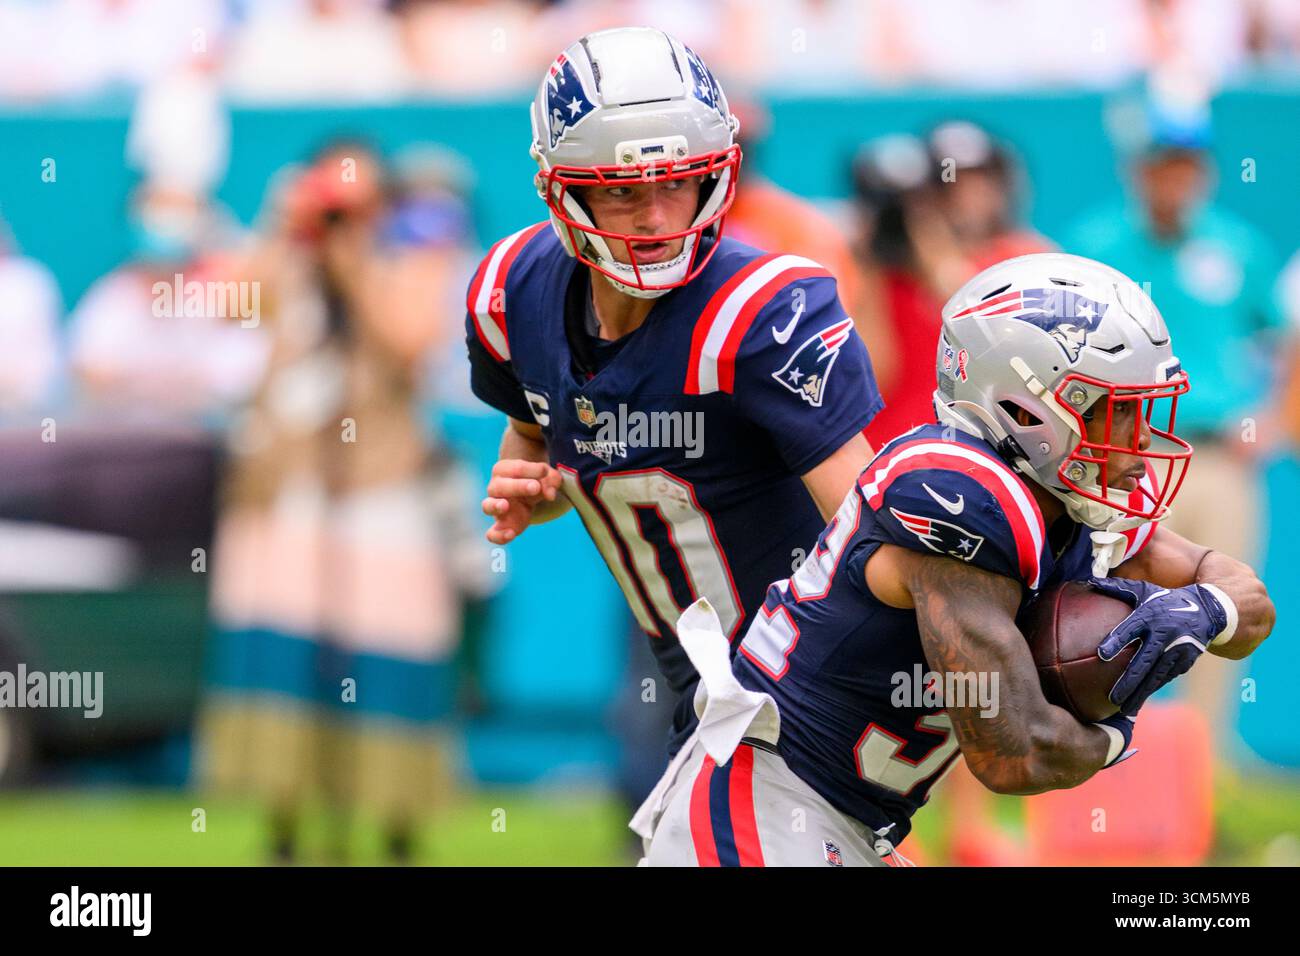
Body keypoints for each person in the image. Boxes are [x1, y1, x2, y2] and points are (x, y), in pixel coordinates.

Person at [634, 253, 1274, 866]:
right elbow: (1013, 754)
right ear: (1027, 409)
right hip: (766, 800)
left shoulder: (1066, 499)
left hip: (842, 821)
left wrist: (1206, 609)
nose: (1138, 448)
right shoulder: (958, 496)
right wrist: (1118, 734)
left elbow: (1247, 601)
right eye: (1116, 414)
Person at [464, 27, 883, 759]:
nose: (656, 219)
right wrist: (541, 485)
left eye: (675, 182)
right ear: (559, 188)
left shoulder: (761, 310)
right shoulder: (512, 297)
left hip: (810, 696)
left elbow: (869, 533)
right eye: (623, 192)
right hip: (704, 698)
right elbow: (541, 437)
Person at [198, 143, 477, 863]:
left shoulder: (409, 263)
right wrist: (281, 227)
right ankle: (285, 825)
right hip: (288, 496)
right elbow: (228, 304)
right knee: (286, 662)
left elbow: (410, 346)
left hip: (382, 498)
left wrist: (353, 258)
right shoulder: (289, 261)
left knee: (390, 656)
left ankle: (395, 827)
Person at [1068, 107, 1283, 748]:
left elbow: (1284, 332)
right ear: (1138, 168)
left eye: (1186, 164)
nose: (1174, 177)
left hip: (1218, 452)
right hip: (1125, 455)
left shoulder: (1236, 247)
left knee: (1222, 609)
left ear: (1204, 170)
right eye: (1163, 162)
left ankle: (1199, 784)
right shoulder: (1097, 244)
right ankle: (1108, 770)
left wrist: (1274, 420)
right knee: (1111, 619)